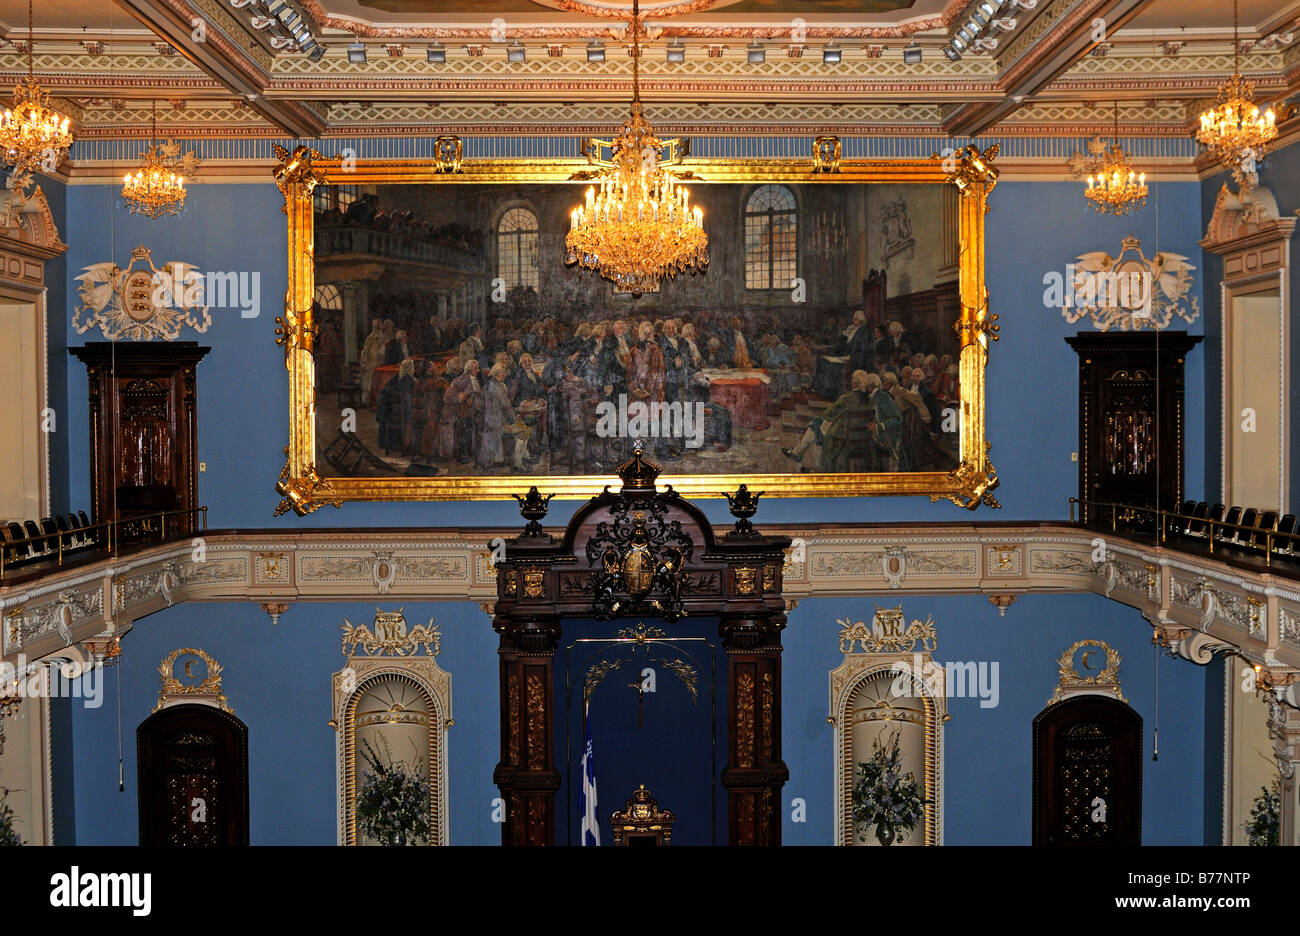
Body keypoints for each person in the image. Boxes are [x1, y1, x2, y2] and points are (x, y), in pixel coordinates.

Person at [479, 362, 529, 472]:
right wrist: (513, 419)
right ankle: (518, 463)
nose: (505, 375)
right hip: (496, 424)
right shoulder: (496, 387)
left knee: (523, 426)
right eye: (503, 373)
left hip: (494, 420)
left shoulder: (492, 384)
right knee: (524, 430)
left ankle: (525, 457)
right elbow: (506, 406)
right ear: (497, 373)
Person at [376, 358, 415, 455]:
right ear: (410, 369)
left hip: (389, 416)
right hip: (401, 416)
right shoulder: (410, 382)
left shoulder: (393, 380)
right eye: (413, 367)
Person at [358, 318, 386, 408]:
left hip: (378, 363)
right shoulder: (371, 337)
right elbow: (366, 351)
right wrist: (364, 362)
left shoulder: (381, 336)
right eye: (380, 324)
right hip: (371, 363)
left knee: (375, 384)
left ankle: (373, 402)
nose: (382, 326)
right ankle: (364, 402)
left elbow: (381, 352)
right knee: (367, 384)